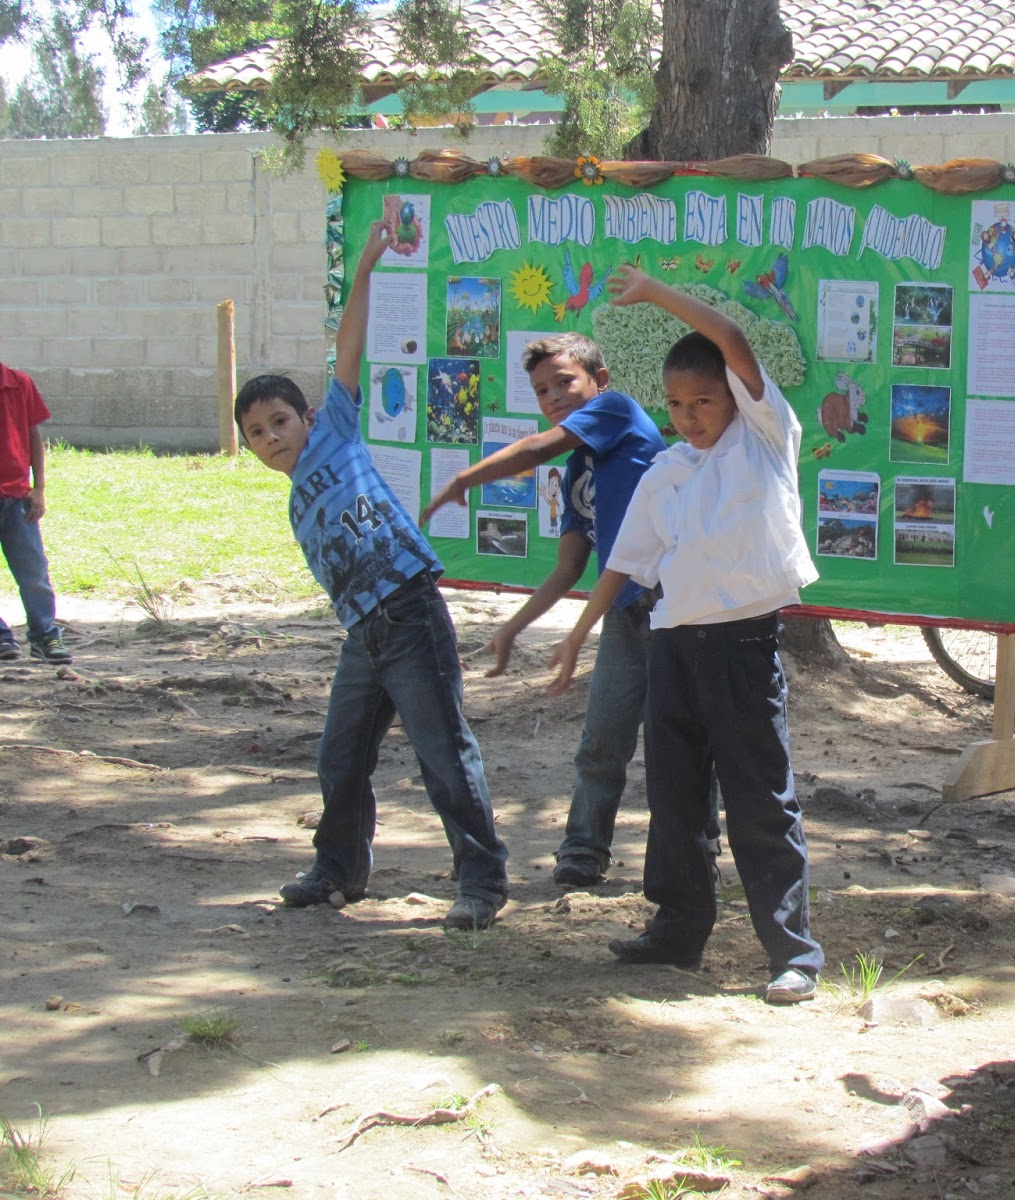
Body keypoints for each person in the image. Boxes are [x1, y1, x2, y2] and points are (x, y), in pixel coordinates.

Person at [547, 264, 824, 1006]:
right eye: (675, 403)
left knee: (760, 798)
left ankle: (792, 951)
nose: (690, 416)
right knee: (674, 800)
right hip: (672, 647)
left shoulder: (765, 440)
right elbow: (626, 565)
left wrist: (655, 294)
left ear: (734, 397)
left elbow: (730, 338)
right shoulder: (666, 470)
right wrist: (575, 637)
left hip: (741, 649)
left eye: (703, 400)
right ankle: (677, 929)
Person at [235, 220, 509, 931]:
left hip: (410, 610)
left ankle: (481, 880)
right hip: (366, 632)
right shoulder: (297, 502)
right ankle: (337, 870)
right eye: (258, 433)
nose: (273, 438)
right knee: (340, 755)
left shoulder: (338, 430)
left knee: (443, 751)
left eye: (279, 421)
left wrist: (365, 266)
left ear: (308, 416)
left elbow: (348, 346)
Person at [420, 332, 683, 888]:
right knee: (601, 740)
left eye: (565, 382)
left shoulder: (617, 412)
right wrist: (513, 628)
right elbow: (568, 567)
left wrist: (465, 478)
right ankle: (583, 851)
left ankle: (689, 859)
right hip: (626, 609)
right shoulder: (579, 469)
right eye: (542, 391)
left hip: (677, 608)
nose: (554, 396)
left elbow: (539, 447)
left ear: (599, 381)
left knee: (676, 747)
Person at [0, 362, 71, 664]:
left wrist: (39, 487)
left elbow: (33, 435)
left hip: (17, 497)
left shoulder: (18, 383)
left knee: (34, 573)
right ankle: (2, 638)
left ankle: (45, 635)